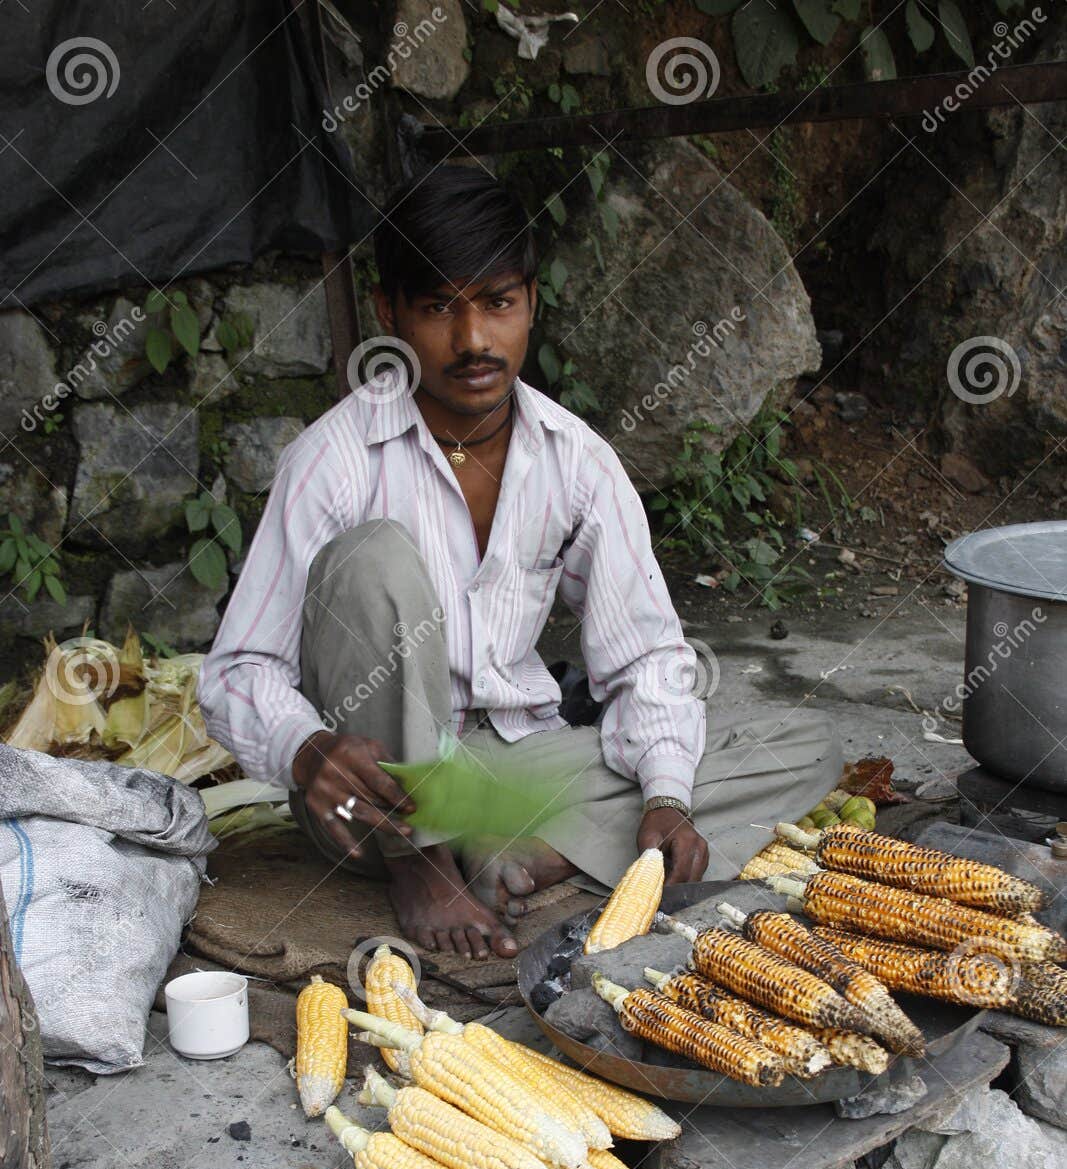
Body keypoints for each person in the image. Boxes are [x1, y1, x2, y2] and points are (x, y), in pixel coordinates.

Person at [199, 165, 841, 961]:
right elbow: (236, 670)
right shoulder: (333, 458)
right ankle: (427, 862)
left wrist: (668, 795)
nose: (473, 340)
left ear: (531, 302)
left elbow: (646, 655)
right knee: (375, 559)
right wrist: (305, 749)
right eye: (439, 308)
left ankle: (517, 849)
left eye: (498, 304)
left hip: (518, 763)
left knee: (804, 743)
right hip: (372, 794)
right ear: (389, 312)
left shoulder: (575, 460)